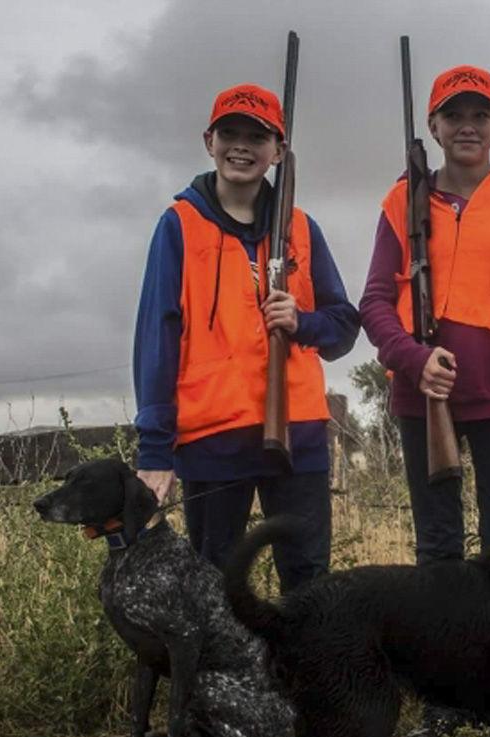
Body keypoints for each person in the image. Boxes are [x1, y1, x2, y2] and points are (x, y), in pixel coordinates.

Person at [358, 65, 490, 737]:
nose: (467, 124)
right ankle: (443, 708)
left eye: (480, 113)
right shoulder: (400, 200)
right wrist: (414, 359)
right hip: (426, 402)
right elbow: (374, 303)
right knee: (438, 554)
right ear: (435, 127)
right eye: (453, 114)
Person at [133, 83, 360, 594]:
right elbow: (157, 339)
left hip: (298, 435)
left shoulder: (302, 227)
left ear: (278, 151)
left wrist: (302, 321)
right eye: (229, 133)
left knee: (309, 582)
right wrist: (155, 448)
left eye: (257, 136)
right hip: (212, 437)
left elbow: (343, 326)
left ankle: (305, 676)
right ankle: (224, 677)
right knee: (213, 583)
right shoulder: (178, 226)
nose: (241, 146)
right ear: (208, 140)